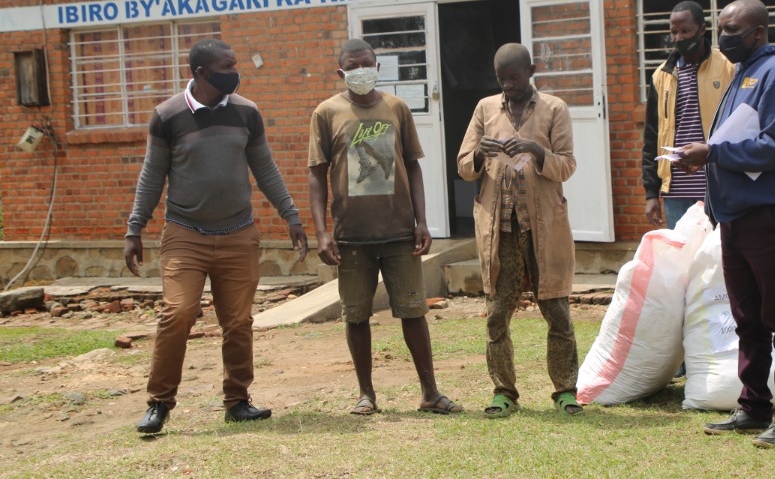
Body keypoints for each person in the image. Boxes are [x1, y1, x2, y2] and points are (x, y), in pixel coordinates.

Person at [124, 39, 309, 434]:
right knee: (178, 313)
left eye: (236, 65)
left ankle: (237, 401)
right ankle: (159, 403)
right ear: (200, 73)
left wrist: (291, 216)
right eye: (227, 66)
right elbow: (152, 175)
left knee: (238, 320)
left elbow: (266, 168)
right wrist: (134, 228)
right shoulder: (167, 115)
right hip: (185, 232)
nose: (235, 72)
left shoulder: (247, 112)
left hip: (238, 233)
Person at [677, 0, 775, 447]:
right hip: (737, 216)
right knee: (747, 319)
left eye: (732, 29)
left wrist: (713, 152)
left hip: (769, 214)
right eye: (719, 28)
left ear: (758, 31)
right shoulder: (744, 72)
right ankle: (754, 405)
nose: (722, 38)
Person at [308, 38, 462, 417]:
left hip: (399, 231)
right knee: (356, 315)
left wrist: (422, 221)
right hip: (351, 236)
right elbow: (316, 175)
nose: (360, 71)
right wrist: (322, 232)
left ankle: (430, 392)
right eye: (352, 66)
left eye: (366, 64)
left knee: (413, 312)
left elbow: (413, 164)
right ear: (341, 72)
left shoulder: (397, 107)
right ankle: (366, 394)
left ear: (377, 66)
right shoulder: (327, 113)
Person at [456, 43, 581, 418]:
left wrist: (535, 149)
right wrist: (480, 153)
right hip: (501, 229)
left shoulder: (554, 108)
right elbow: (464, 166)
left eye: (514, 77)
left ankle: (565, 390)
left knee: (556, 309)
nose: (508, 86)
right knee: (497, 313)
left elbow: (567, 165)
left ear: (531, 70)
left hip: (544, 227)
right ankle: (504, 391)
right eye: (501, 80)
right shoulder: (485, 109)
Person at [642, 0, 735, 229]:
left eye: (685, 31)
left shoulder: (728, 67)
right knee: (683, 257)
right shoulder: (661, 76)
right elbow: (652, 136)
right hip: (676, 189)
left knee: (719, 256)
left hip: (718, 184)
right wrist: (651, 193)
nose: (678, 37)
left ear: (702, 30)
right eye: (674, 32)